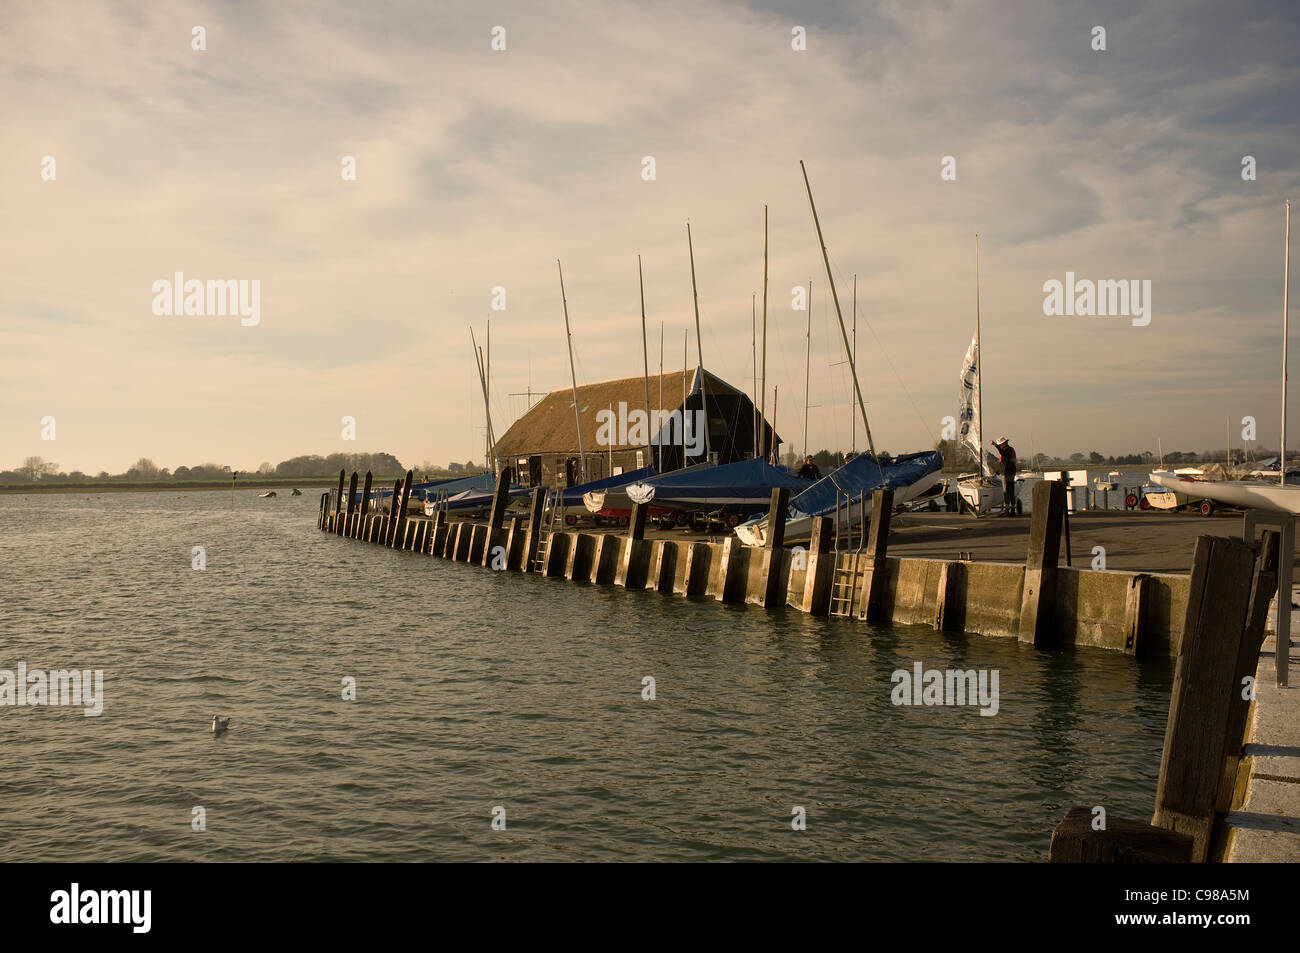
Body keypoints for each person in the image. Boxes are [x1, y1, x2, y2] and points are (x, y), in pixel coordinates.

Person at [993, 437, 1017, 514]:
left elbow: (1003, 455)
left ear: (1003, 443)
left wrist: (995, 445)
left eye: (1000, 445)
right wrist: (997, 472)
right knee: (1010, 491)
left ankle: (1008, 509)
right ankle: (1012, 509)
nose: (999, 446)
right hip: (1009, 472)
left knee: (1006, 491)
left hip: (1007, 473)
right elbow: (1003, 465)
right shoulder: (1009, 450)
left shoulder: (1007, 450)